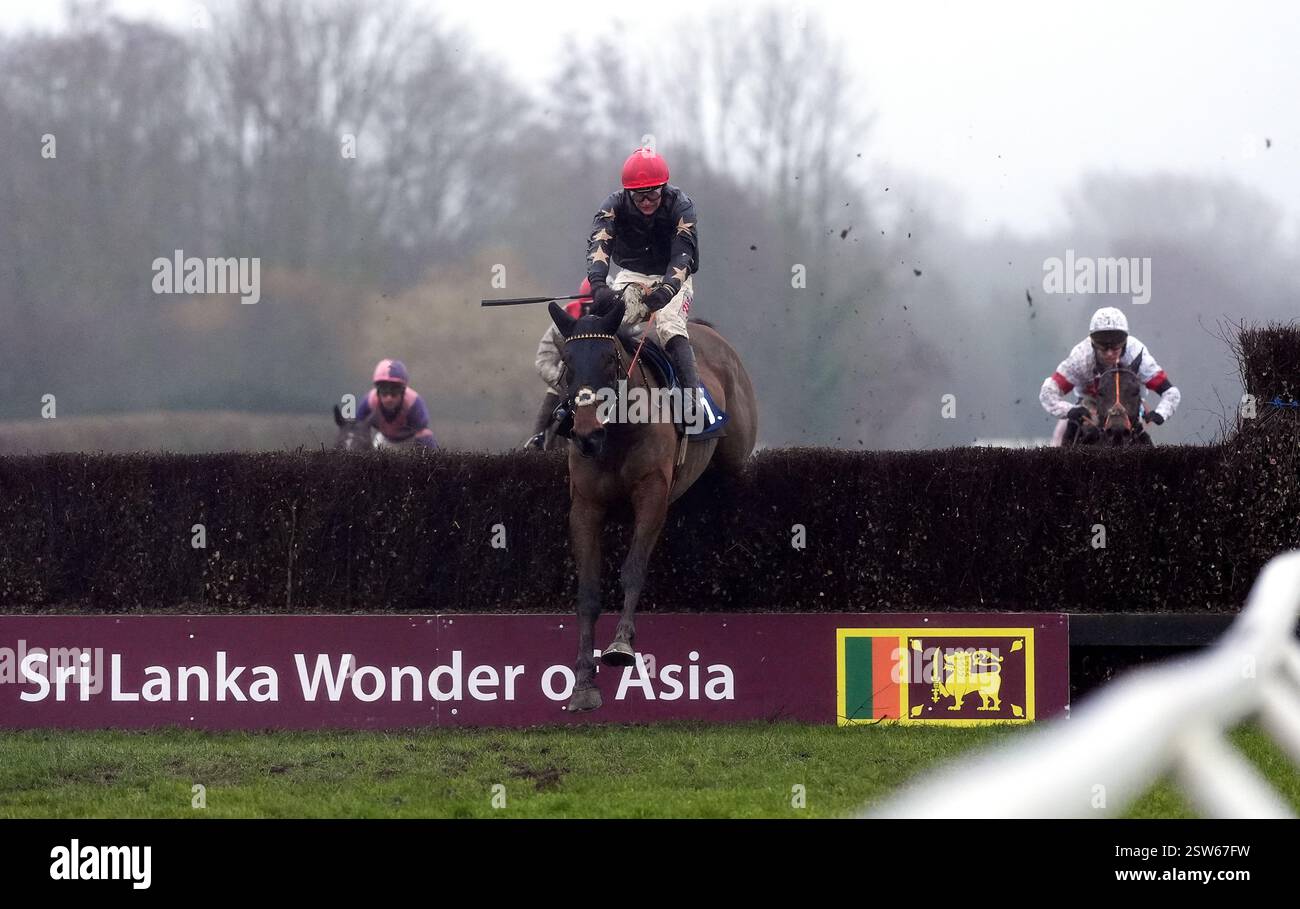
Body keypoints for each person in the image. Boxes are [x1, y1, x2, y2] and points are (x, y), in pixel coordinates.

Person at [585, 147, 701, 422]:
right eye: (639, 195)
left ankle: (691, 397)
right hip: (631, 274)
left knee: (668, 324)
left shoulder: (681, 205)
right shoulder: (611, 207)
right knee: (604, 325)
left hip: (672, 275)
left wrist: (667, 289)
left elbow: (683, 254)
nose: (646, 201)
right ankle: (586, 397)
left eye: (653, 194)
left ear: (664, 188)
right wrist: (599, 285)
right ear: (627, 193)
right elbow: (599, 244)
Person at [1040, 307, 1180, 445]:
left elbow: (1171, 392)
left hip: (1130, 407)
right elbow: (1048, 393)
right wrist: (1069, 410)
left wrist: (1161, 413)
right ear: (1093, 343)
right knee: (1062, 433)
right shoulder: (1081, 357)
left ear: (1125, 342)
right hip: (1091, 404)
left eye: (1115, 346)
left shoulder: (1138, 354)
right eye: (1102, 345)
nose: (1109, 353)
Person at [523, 279, 593, 450]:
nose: (591, 312)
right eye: (587, 307)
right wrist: (564, 383)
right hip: (566, 383)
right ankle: (536, 441)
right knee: (551, 399)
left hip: (606, 383)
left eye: (596, 306)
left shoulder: (619, 318)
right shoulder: (565, 317)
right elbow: (543, 361)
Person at [357, 358, 437, 448]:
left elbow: (422, 432)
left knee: (426, 435)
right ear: (378, 392)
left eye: (394, 391)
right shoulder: (369, 401)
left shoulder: (413, 403)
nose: (389, 398)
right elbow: (358, 427)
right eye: (384, 391)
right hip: (384, 441)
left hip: (411, 442)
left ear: (403, 391)